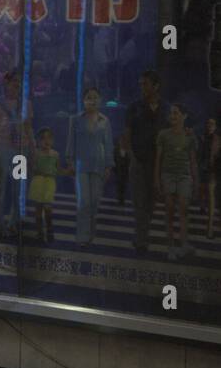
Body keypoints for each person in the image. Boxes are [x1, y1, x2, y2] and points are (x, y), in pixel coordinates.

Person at [123, 70, 168, 252]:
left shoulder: (166, 108)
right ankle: (141, 239)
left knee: (150, 202)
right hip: (139, 160)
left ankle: (143, 234)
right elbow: (127, 133)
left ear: (155, 86)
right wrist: (130, 156)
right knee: (139, 202)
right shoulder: (134, 107)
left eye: (145, 84)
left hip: (157, 163)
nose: (142, 87)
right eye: (141, 84)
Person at [66, 87, 114, 247]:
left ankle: (91, 232)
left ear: (100, 100)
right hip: (80, 165)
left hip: (99, 165)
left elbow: (108, 145)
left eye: (95, 97)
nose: (92, 100)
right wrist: (70, 160)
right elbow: (70, 142)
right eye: (89, 97)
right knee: (84, 201)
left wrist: (109, 165)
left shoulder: (104, 121)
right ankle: (82, 236)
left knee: (94, 201)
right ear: (83, 100)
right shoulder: (75, 119)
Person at [0, 69, 33, 237]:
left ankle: (14, 222)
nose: (16, 84)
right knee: (1, 188)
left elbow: (29, 128)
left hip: (20, 150)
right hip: (2, 149)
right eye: (13, 81)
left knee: (18, 189)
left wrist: (32, 148)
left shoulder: (26, 104)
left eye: (19, 81)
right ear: (6, 83)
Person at [156, 104, 197, 260]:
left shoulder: (189, 136)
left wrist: (195, 179)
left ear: (184, 116)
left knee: (184, 209)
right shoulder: (163, 134)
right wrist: (156, 179)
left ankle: (184, 243)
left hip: (184, 176)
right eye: (171, 113)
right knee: (170, 210)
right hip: (168, 175)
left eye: (176, 113)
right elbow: (158, 158)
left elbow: (193, 160)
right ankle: (171, 246)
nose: (173, 116)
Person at [28, 127, 64, 244]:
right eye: (43, 138)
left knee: (48, 208)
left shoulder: (55, 155)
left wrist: (68, 171)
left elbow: (58, 170)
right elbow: (32, 168)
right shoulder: (36, 154)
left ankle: (49, 230)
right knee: (38, 209)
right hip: (38, 181)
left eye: (49, 138)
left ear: (53, 140)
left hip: (49, 182)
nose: (46, 141)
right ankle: (40, 232)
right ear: (39, 141)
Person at [199, 118, 219, 239]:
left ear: (215, 126)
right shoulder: (200, 138)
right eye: (208, 123)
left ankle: (209, 228)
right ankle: (202, 205)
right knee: (202, 192)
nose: (210, 126)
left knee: (211, 196)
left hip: (212, 172)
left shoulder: (218, 140)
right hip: (201, 171)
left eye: (212, 124)